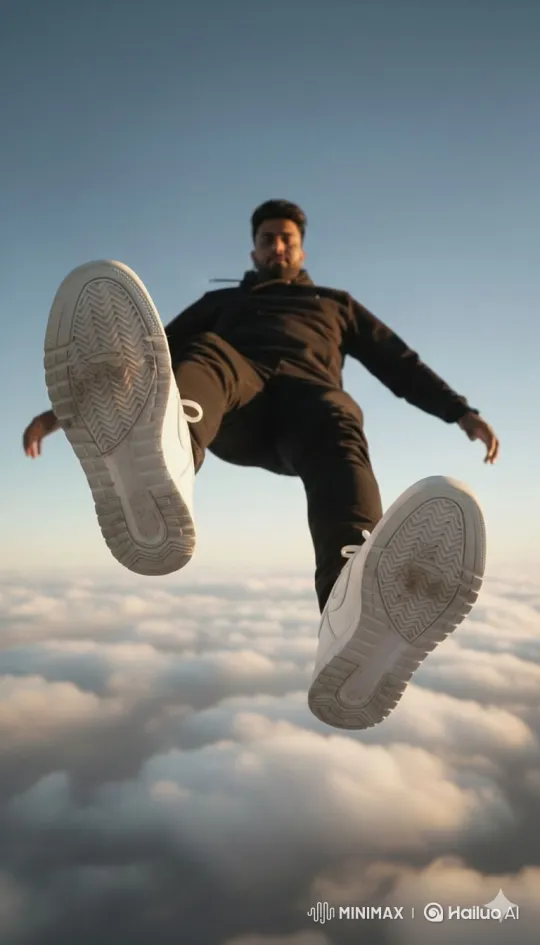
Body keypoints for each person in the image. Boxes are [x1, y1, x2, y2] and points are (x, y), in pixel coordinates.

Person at [22, 199, 499, 731]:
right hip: (232, 403)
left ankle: (351, 598)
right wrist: (62, 412)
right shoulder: (222, 301)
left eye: (286, 239)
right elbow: (147, 355)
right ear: (253, 248)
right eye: (268, 238)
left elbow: (397, 362)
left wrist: (460, 412)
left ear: (300, 248)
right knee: (203, 352)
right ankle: (168, 452)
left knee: (340, 420)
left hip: (309, 407)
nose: (277, 246)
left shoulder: (335, 304)